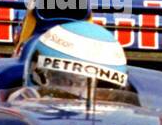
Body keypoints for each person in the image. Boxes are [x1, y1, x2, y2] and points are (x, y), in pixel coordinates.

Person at [8, 21, 136, 108]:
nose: (79, 95)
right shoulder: (19, 105)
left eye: (101, 87)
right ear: (36, 73)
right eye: (64, 81)